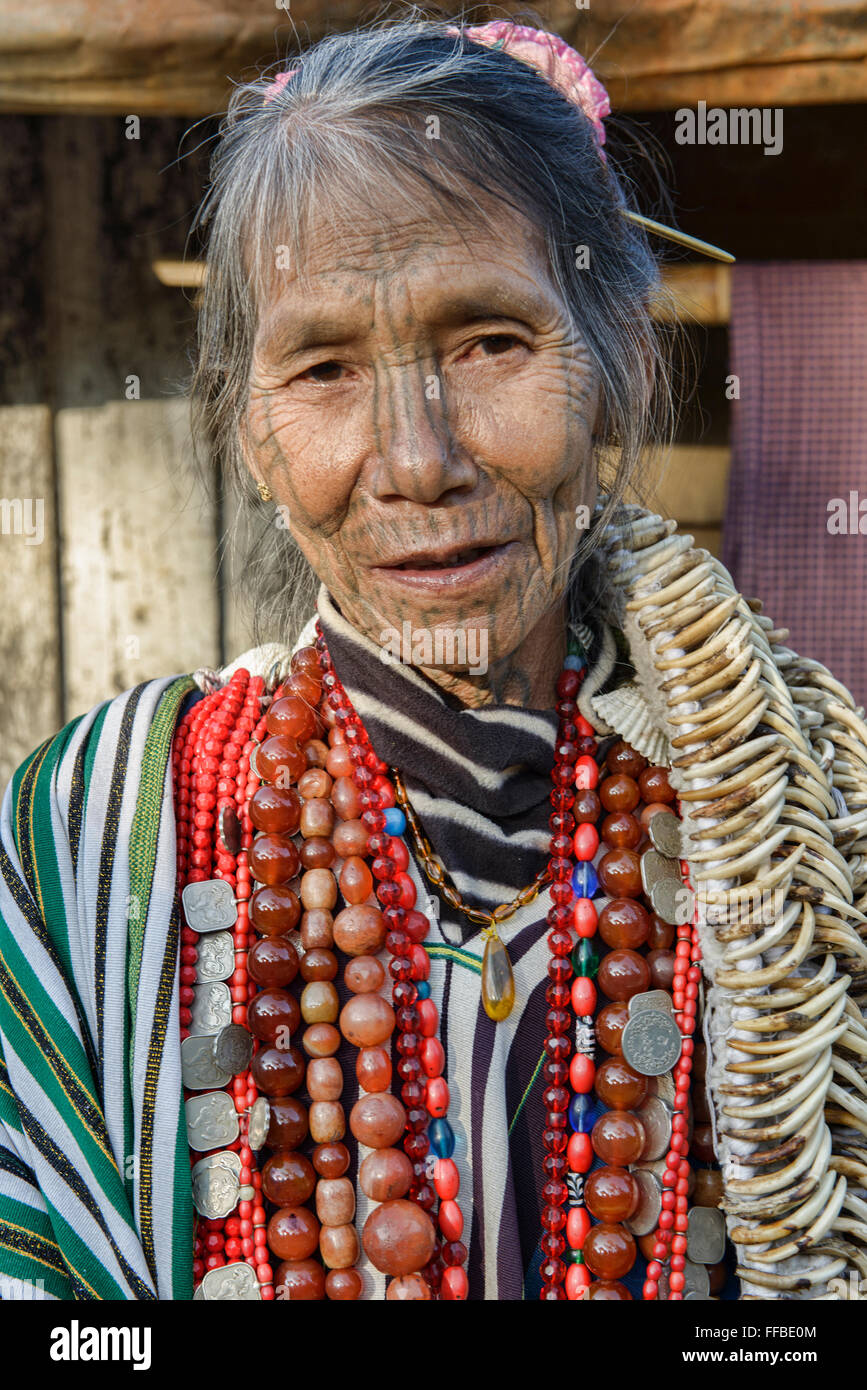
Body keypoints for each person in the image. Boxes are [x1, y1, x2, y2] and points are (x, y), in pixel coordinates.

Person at [1, 15, 865, 1303]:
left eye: (490, 344)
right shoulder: (91, 842)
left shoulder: (810, 826)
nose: (417, 460)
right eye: (326, 368)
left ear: (619, 366)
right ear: (250, 430)